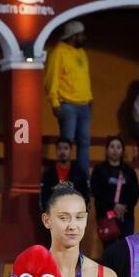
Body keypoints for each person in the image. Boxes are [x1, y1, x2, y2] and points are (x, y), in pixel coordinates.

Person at [44, 21, 93, 173]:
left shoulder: (82, 53)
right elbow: (51, 79)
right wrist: (55, 103)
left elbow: (85, 78)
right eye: (81, 35)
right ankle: (66, 176)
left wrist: (89, 98)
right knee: (67, 143)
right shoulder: (58, 52)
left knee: (84, 142)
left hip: (84, 105)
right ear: (73, 35)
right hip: (67, 105)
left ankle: (83, 178)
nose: (84, 37)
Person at [90, 136, 139, 242]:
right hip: (106, 215)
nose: (115, 150)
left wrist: (123, 207)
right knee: (109, 249)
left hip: (126, 215)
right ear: (107, 150)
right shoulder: (99, 170)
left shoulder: (129, 171)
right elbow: (96, 191)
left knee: (126, 249)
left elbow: (135, 192)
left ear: (122, 151)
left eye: (118, 147)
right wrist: (114, 206)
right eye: (112, 147)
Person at [39, 137, 89, 210]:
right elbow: (44, 196)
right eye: (59, 149)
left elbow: (85, 195)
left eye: (65, 148)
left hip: (74, 214)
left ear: (71, 150)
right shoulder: (48, 173)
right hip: (54, 214)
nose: (62, 152)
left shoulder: (79, 173)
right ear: (56, 151)